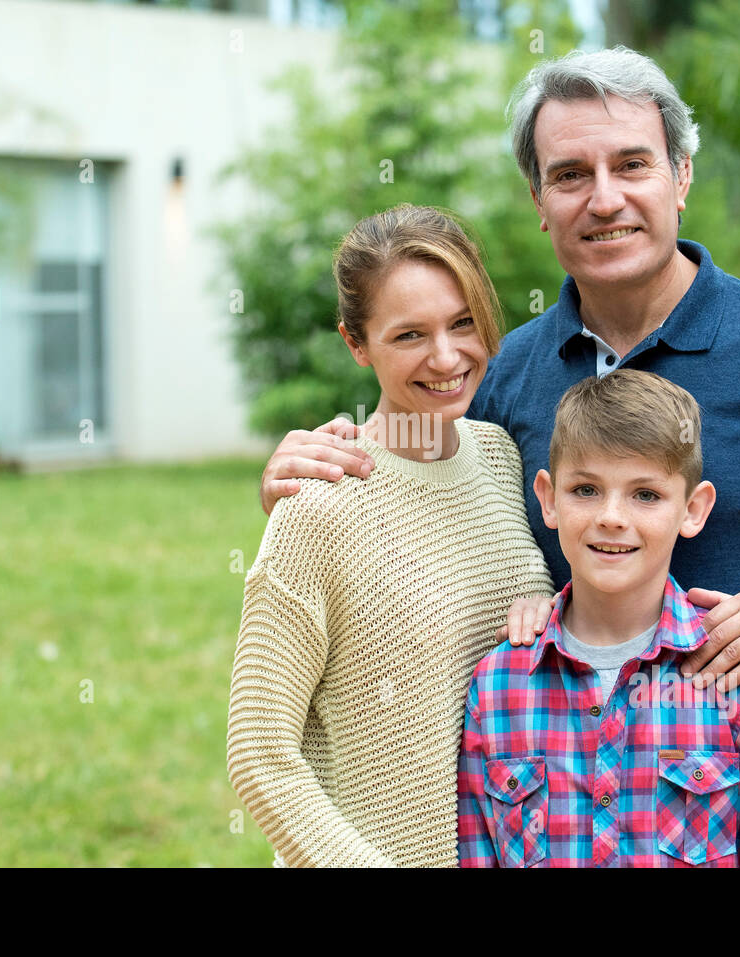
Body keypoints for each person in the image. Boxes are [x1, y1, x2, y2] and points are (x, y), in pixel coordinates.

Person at [255, 47, 740, 867]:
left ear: (681, 176)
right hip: (561, 822)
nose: (605, 199)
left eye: (632, 163)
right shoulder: (508, 373)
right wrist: (305, 473)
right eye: (569, 174)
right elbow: (422, 489)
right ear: (538, 201)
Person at [226, 203, 553, 867]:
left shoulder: (500, 457)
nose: (446, 355)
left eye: (463, 322)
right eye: (409, 335)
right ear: (356, 343)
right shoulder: (319, 502)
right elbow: (260, 752)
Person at [457, 370, 740, 866]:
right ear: (547, 498)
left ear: (693, 509)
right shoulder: (498, 685)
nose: (611, 516)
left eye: (645, 495)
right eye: (585, 489)